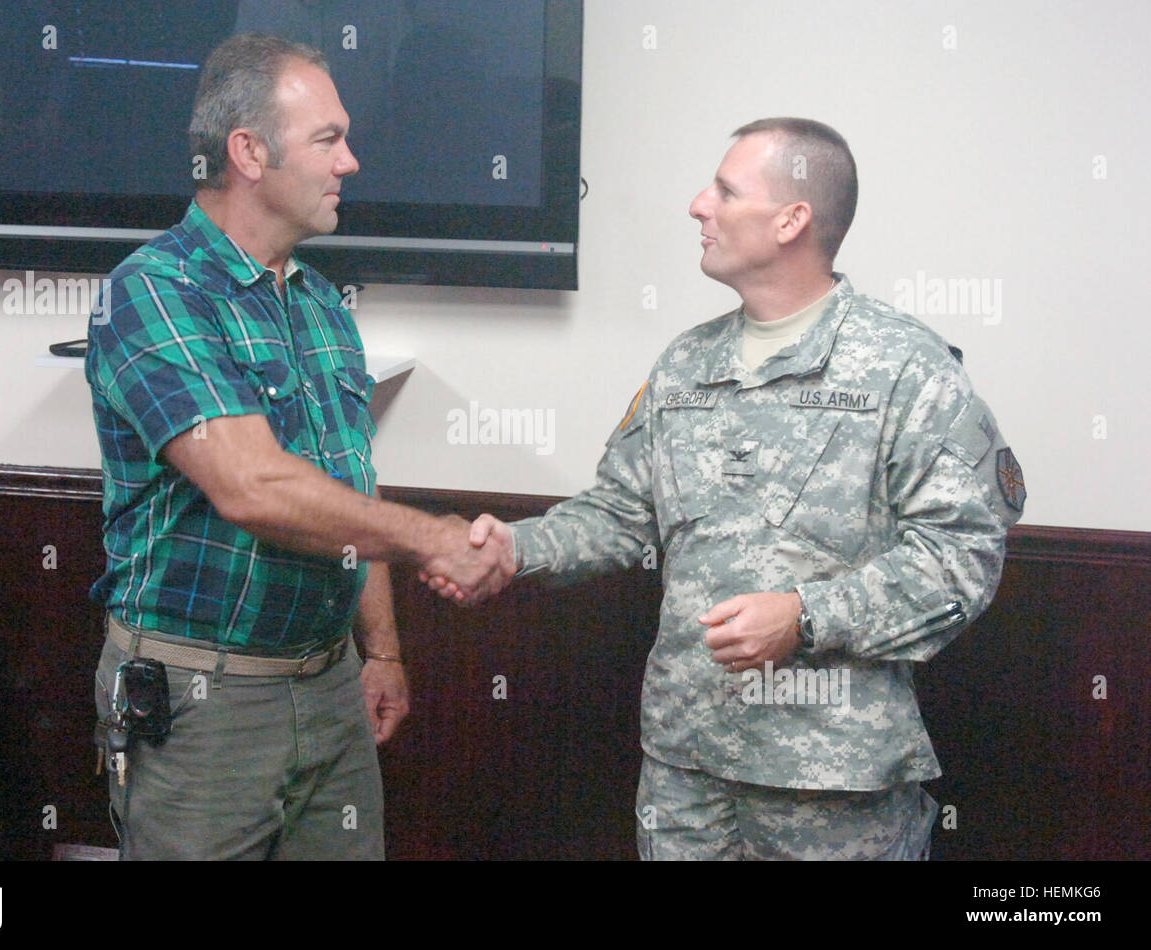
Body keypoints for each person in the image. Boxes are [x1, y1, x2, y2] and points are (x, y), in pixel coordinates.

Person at [438, 118, 1026, 859]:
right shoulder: (687, 363)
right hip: (687, 772)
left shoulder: (905, 368)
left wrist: (804, 617)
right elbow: (621, 514)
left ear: (791, 220)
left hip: (831, 784)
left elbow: (961, 558)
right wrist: (514, 550)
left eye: (724, 189)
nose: (697, 205)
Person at [86, 34, 512, 860]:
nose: (350, 161)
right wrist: (438, 538)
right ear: (248, 152)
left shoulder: (320, 305)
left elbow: (349, 487)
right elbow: (253, 487)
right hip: (203, 701)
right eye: (328, 139)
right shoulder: (152, 291)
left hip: (328, 690)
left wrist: (380, 650)